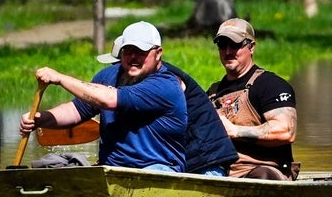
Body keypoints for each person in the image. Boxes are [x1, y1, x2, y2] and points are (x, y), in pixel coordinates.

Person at [20, 21, 187, 172]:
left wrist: (60, 78)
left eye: (140, 52)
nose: (133, 57)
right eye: (128, 51)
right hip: (111, 171)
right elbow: (76, 110)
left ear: (158, 53)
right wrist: (40, 119)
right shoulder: (108, 76)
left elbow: (108, 99)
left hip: (157, 169)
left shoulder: (166, 85)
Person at [98, 35, 237, 176]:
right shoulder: (139, 82)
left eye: (116, 66)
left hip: (205, 161)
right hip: (185, 161)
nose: (115, 72)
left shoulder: (164, 81)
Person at [206, 17, 299, 180]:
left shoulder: (270, 85)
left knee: (262, 176)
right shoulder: (213, 93)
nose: (228, 52)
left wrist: (235, 131)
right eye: (222, 45)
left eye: (235, 45)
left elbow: (286, 131)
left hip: (264, 171)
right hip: (220, 173)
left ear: (252, 47)